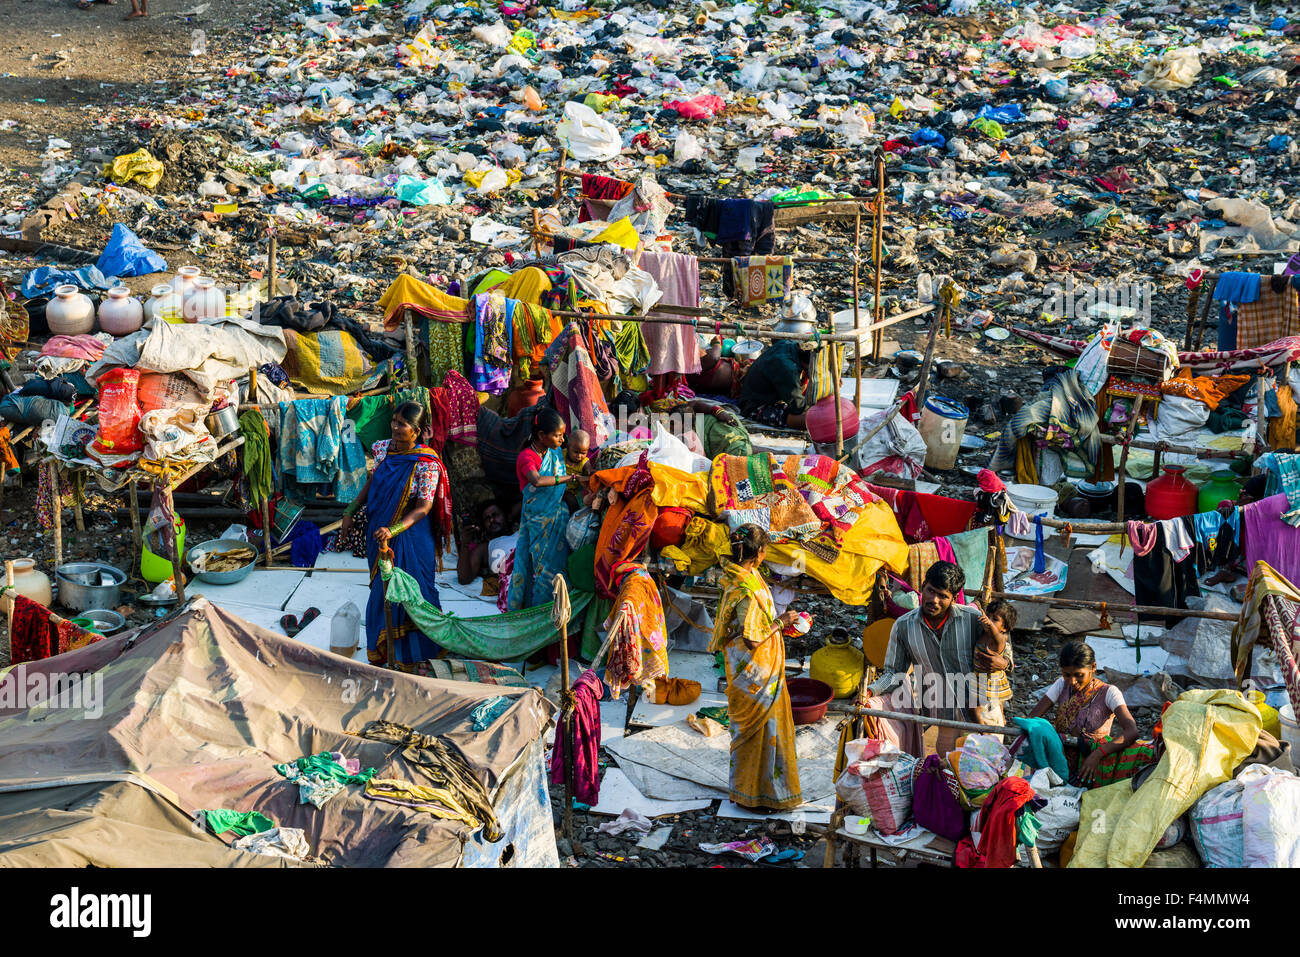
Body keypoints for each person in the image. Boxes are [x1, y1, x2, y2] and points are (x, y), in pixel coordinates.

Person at [341, 402, 448, 667]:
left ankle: (420, 653)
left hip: (412, 535)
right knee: (381, 591)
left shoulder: (427, 463)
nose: (395, 427)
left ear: (418, 431)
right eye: (394, 421)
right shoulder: (381, 449)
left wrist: (394, 529)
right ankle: (386, 652)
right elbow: (373, 481)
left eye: (402, 424)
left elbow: (424, 506)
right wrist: (351, 510)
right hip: (379, 532)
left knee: (419, 590)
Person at [709, 524, 803, 812]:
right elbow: (752, 638)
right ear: (761, 553)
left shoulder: (736, 574)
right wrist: (781, 623)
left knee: (756, 731)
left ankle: (749, 790)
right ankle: (762, 793)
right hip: (754, 670)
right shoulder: (747, 588)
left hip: (746, 666)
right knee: (764, 728)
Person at [872, 561, 1008, 757]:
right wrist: (871, 691)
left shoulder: (972, 618)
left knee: (985, 774)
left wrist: (1003, 662)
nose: (933, 600)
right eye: (930, 591)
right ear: (922, 587)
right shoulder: (903, 627)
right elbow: (894, 674)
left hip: (983, 710)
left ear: (953, 598)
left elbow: (1004, 647)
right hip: (943, 713)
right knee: (947, 769)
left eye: (943, 596)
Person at [1027, 641, 1145, 787]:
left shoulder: (1109, 693)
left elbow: (1132, 731)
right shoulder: (1061, 685)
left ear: (1093, 667)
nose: (1072, 681)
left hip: (1093, 768)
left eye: (1079, 675)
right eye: (1066, 675)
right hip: (1059, 763)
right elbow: (1032, 719)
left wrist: (1097, 754)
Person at [506, 407, 580, 611]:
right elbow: (537, 481)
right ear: (541, 435)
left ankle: (558, 609)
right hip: (537, 520)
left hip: (557, 516)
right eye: (557, 435)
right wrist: (569, 479)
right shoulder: (526, 457)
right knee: (539, 567)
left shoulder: (553, 451)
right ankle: (538, 612)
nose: (562, 440)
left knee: (556, 565)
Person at [737, 338, 814, 429]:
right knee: (812, 420)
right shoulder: (787, 367)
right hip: (754, 405)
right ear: (808, 365)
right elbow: (798, 407)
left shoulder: (788, 344)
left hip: (762, 393)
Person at [973, 598, 1016, 729]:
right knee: (996, 700)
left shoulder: (999, 640)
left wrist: (990, 624)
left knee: (975, 707)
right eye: (988, 616)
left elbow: (997, 637)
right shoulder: (983, 634)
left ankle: (982, 729)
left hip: (987, 680)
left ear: (1005, 627)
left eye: (995, 619)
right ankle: (1001, 718)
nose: (989, 620)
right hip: (980, 677)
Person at [456, 501, 516, 586]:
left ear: (507, 516)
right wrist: (465, 544)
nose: (492, 520)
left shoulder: (522, 533)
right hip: (515, 586)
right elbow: (464, 579)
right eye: (487, 518)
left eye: (495, 515)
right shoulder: (485, 548)